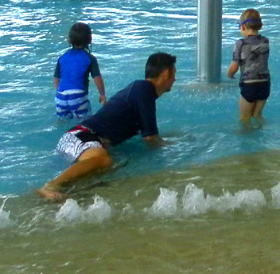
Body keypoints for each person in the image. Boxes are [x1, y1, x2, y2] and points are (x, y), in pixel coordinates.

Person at [37, 52, 176, 200]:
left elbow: (148, 136)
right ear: (166, 73)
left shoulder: (140, 90)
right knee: (105, 160)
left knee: (111, 166)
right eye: (174, 74)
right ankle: (52, 185)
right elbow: (150, 139)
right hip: (80, 137)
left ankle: (68, 190)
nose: (175, 79)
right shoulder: (144, 90)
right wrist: (173, 148)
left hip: (76, 140)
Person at [226, 9, 271, 126]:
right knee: (257, 115)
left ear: (243, 27)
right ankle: (262, 136)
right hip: (265, 83)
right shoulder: (265, 41)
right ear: (260, 26)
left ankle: (246, 141)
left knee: (245, 119)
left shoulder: (240, 43)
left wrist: (229, 75)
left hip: (249, 84)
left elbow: (234, 67)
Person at [54, 22, 106, 120]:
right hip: (78, 96)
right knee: (85, 123)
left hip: (60, 97)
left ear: (69, 40)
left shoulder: (62, 58)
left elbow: (56, 79)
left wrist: (61, 93)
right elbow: (97, 78)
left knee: (62, 122)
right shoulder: (90, 58)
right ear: (90, 40)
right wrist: (102, 95)